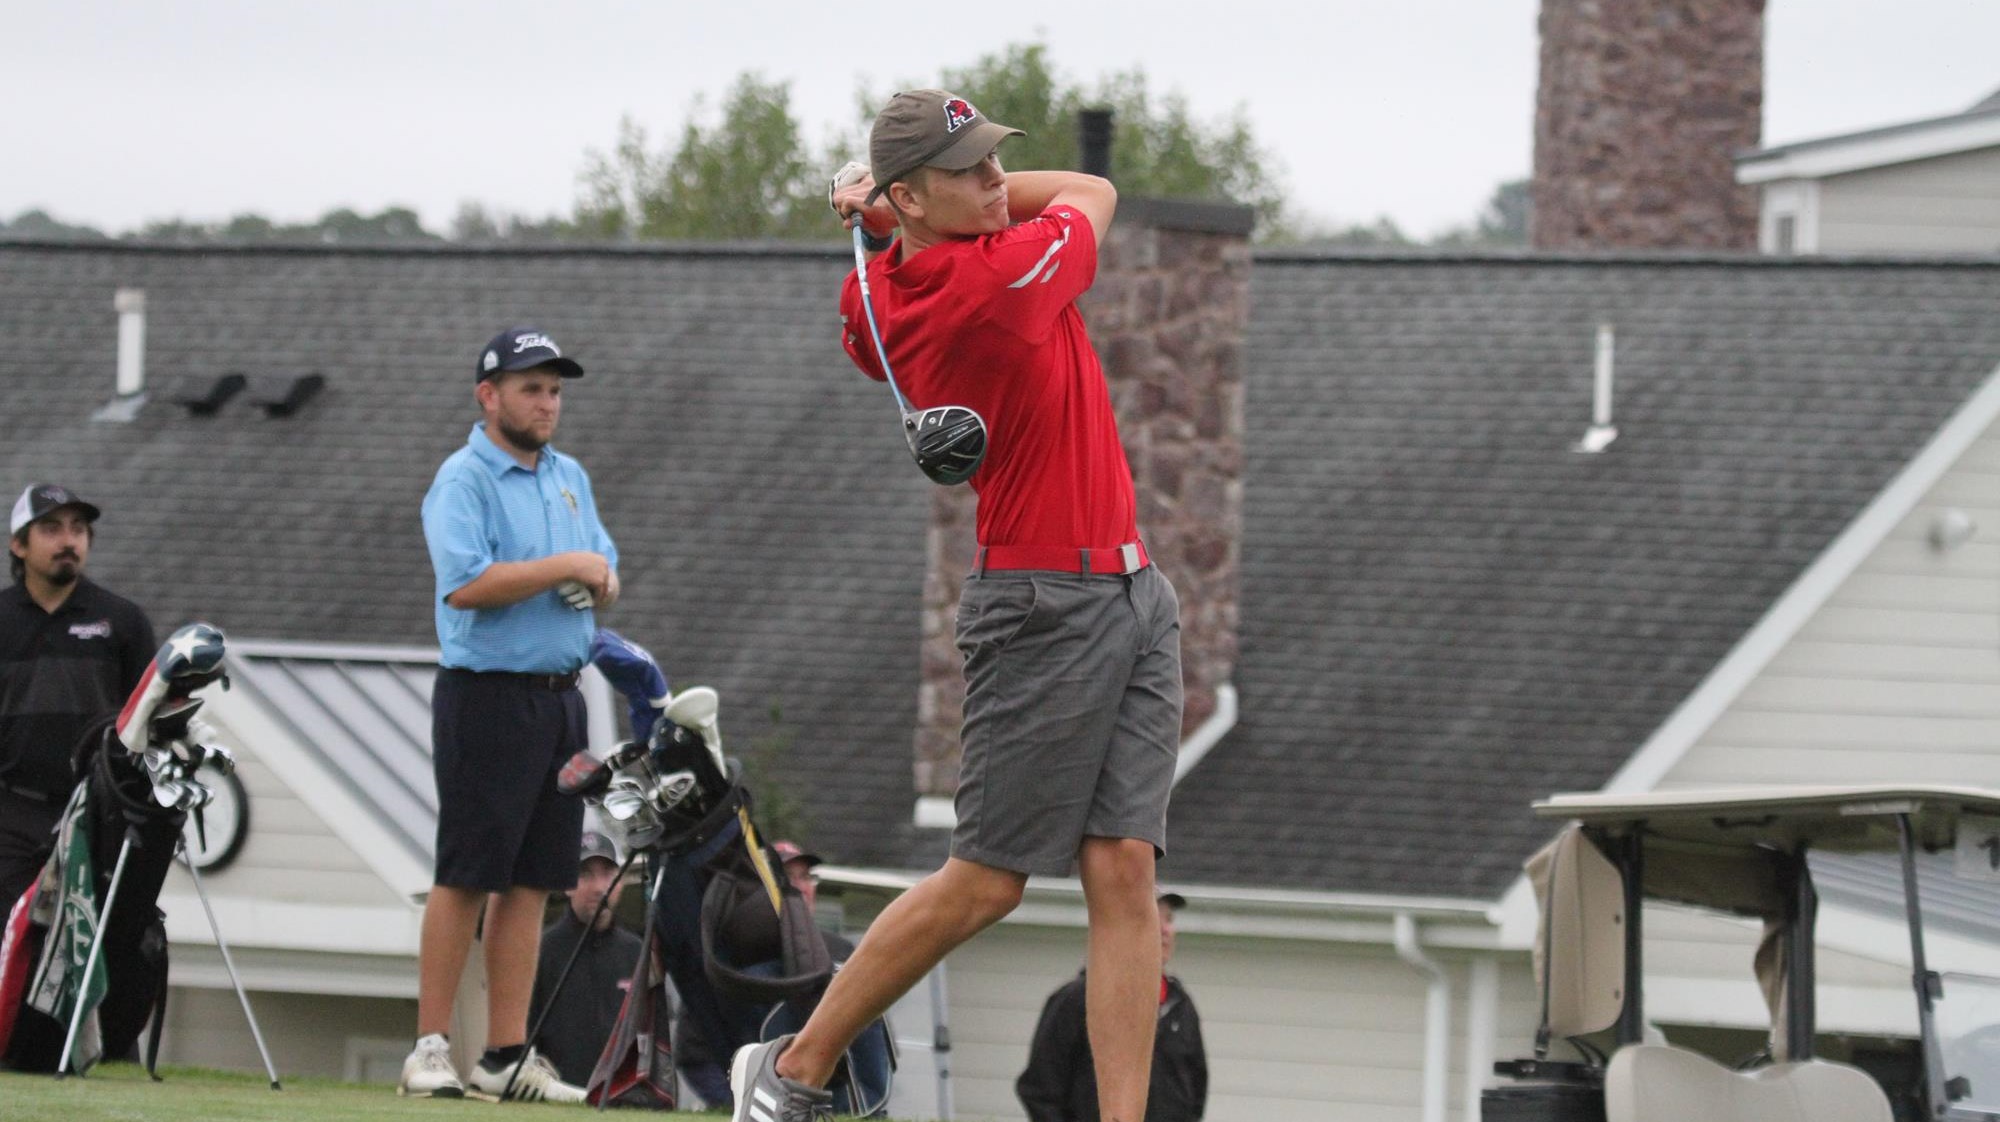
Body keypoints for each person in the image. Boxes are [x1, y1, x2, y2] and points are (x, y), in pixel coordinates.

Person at [733, 89, 1183, 1122]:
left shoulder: (876, 299)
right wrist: (892, 211)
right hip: (1042, 601)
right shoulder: (999, 276)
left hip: (1126, 584)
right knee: (986, 880)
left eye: (993, 161)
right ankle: (795, 1069)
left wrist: (894, 219)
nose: (994, 181)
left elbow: (875, 298)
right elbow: (1091, 187)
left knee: (1122, 871)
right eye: (969, 170)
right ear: (908, 196)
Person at [401, 326, 619, 1103]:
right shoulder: (464, 480)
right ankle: (429, 1048)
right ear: (488, 395)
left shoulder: (568, 478)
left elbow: (603, 563)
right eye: (532, 388)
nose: (547, 402)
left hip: (563, 701)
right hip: (486, 698)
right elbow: (465, 583)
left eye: (555, 389)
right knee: (468, 873)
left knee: (533, 881)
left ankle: (502, 1053)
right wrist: (565, 568)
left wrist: (595, 580)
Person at [1, 483, 154, 909]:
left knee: (91, 945)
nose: (68, 541)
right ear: (18, 545)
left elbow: (147, 719)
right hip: (12, 811)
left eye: (78, 529)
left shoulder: (122, 621)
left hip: (97, 810)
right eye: (50, 529)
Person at [1017, 893, 1207, 1122]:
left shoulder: (1181, 1006)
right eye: (1154, 918)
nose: (1165, 929)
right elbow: (1040, 1092)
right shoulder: (1076, 1000)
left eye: (1169, 919)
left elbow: (1196, 1091)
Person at [533, 829, 646, 1087]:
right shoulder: (542, 950)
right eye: (585, 875)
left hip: (622, 1101)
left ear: (621, 881)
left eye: (607, 874)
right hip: (556, 1099)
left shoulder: (637, 952)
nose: (599, 887)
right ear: (568, 884)